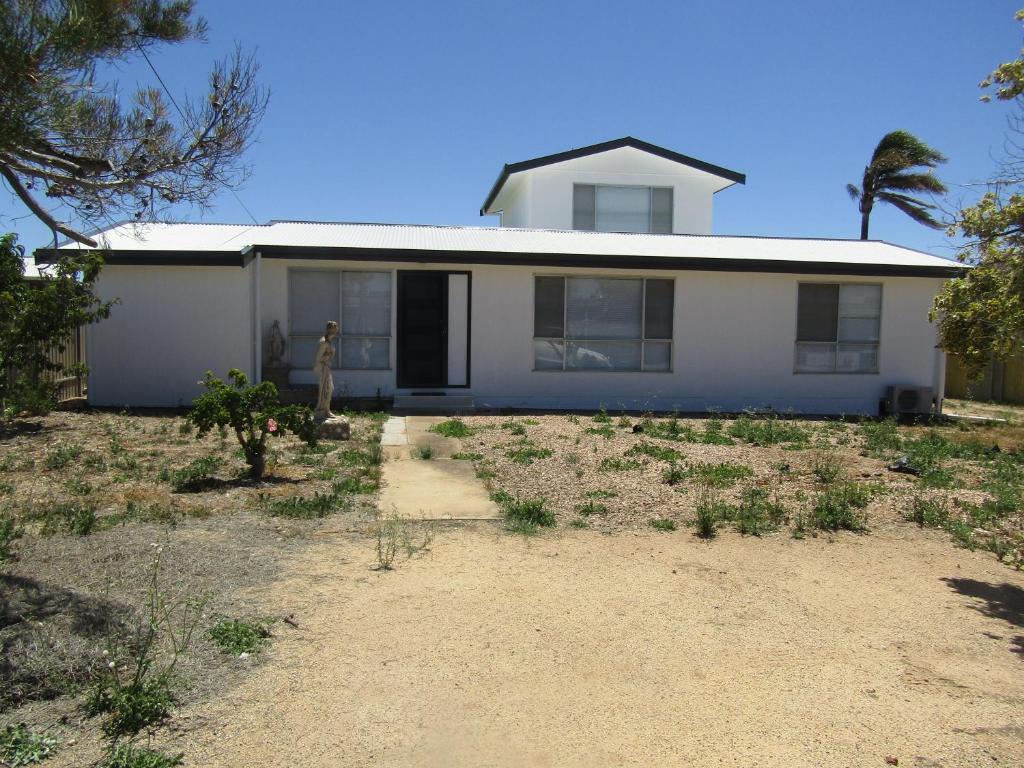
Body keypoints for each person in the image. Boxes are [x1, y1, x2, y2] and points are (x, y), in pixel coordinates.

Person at [313, 321, 338, 420]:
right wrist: (328, 356)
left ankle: (326, 410)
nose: (335, 332)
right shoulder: (324, 342)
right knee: (326, 389)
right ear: (329, 330)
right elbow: (318, 358)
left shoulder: (328, 342)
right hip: (323, 368)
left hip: (327, 367)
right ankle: (323, 410)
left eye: (335, 330)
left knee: (329, 389)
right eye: (333, 330)